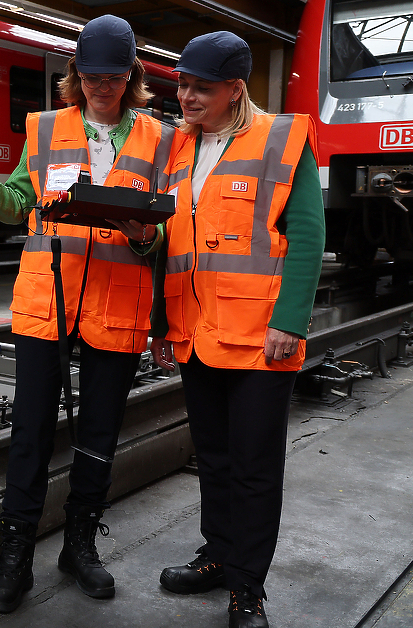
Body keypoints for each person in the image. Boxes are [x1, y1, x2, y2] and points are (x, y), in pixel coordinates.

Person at [0, 14, 174, 612]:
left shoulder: (160, 138)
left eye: (113, 77)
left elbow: (167, 232)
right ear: (77, 74)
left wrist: (144, 235)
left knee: (99, 432)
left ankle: (79, 546)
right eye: (92, 77)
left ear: (132, 76)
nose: (102, 87)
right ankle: (15, 555)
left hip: (117, 304)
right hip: (48, 300)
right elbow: (16, 203)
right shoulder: (44, 128)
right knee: (31, 432)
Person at [149, 32, 325, 628]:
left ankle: (247, 587)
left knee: (254, 467)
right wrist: (163, 324)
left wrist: (290, 320)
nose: (187, 97)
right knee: (215, 458)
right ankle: (219, 555)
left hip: (260, 337)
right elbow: (171, 241)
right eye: (182, 85)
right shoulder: (179, 147)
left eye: (202, 88)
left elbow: (308, 234)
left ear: (236, 89)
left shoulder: (281, 139)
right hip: (197, 331)